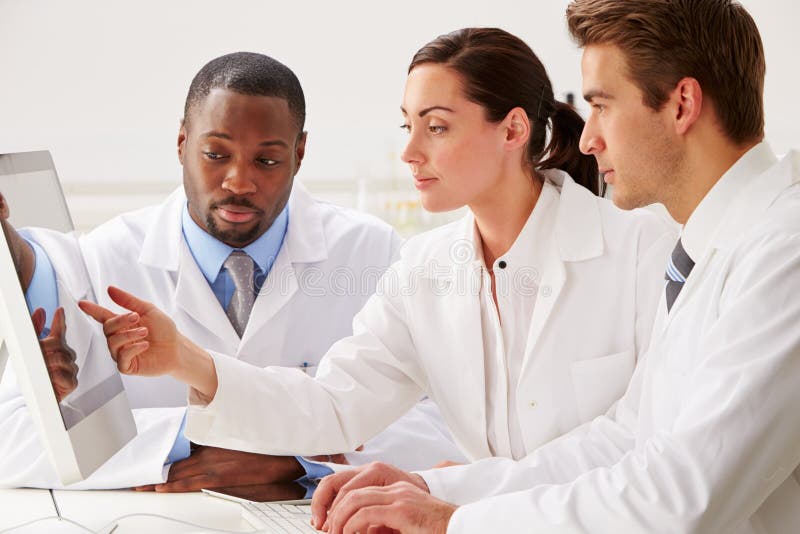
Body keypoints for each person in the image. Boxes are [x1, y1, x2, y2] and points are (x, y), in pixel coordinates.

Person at [83, 25, 677, 510]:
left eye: (437, 126)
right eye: (408, 124)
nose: (411, 151)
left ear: (513, 129)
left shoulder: (642, 250)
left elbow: (642, 448)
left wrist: (437, 490)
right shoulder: (425, 268)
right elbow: (334, 407)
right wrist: (185, 359)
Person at [298, 2, 800, 533]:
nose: (586, 140)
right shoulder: (713, 250)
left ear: (682, 105)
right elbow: (625, 438)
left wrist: (455, 524)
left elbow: (683, 495)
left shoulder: (782, 254)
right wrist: (433, 491)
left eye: (602, 106)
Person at [0, 52, 465, 491]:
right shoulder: (98, 259)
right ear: (182, 143)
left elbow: (448, 423)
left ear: (299, 154)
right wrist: (196, 440)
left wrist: (294, 465)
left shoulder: (372, 252)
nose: (239, 182)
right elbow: (10, 437)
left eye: (267, 160)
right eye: (216, 155)